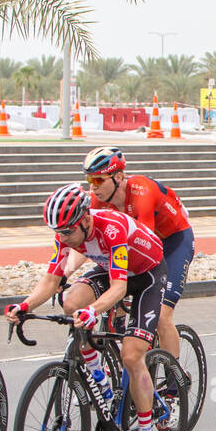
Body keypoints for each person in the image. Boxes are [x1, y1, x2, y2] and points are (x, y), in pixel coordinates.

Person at [6, 184, 167, 431]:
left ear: (84, 220)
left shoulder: (112, 229)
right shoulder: (66, 234)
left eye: (68, 232)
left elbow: (119, 288)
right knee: (71, 303)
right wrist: (25, 306)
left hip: (147, 275)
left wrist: (94, 310)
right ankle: (99, 376)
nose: (63, 238)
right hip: (113, 270)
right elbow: (51, 280)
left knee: (131, 356)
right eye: (59, 233)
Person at [82, 146, 194, 368]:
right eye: (89, 181)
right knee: (117, 296)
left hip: (172, 242)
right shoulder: (98, 200)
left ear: (119, 177)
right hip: (138, 245)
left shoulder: (142, 191)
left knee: (162, 315)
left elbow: (145, 245)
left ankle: (174, 383)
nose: (93, 188)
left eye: (98, 181)